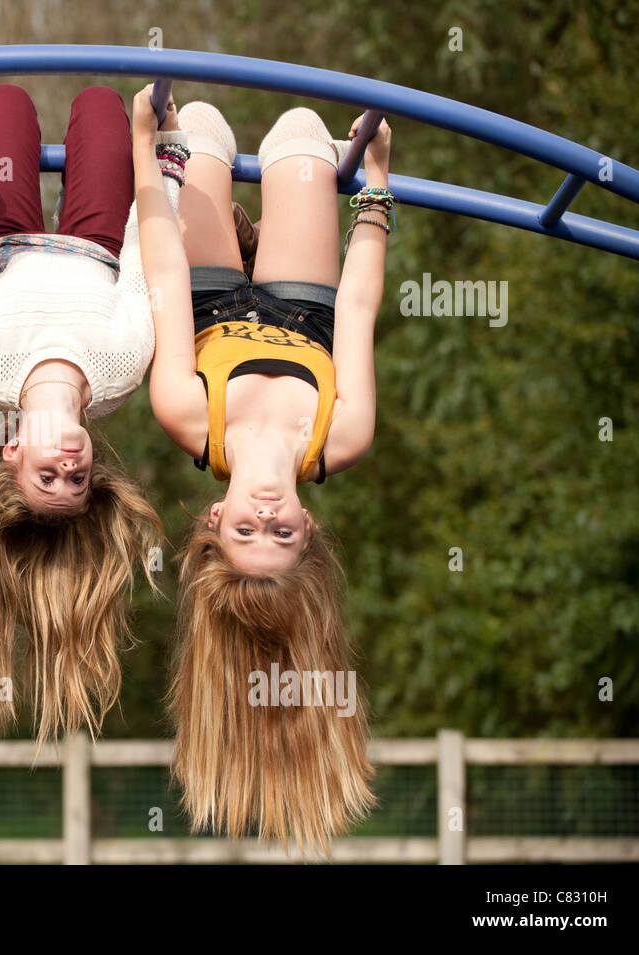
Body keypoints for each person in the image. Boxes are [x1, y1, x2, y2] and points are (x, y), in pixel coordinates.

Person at [135, 87, 393, 850]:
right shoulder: (339, 434)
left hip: (208, 298)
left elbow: (163, 281)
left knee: (204, 126)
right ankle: (278, 198)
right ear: (307, 527)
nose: (269, 507)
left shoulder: (188, 414)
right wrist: (375, 188)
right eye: (280, 530)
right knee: (300, 138)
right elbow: (359, 307)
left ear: (215, 518)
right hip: (306, 306)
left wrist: (153, 160)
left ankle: (217, 189)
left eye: (248, 526)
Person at [0, 84, 179, 743]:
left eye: (48, 478)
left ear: (12, 453)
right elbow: (144, 257)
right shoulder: (124, 366)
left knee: (5, 102)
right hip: (96, 241)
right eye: (77, 482)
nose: (69, 469)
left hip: (5, 238)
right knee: (101, 104)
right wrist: (163, 152)